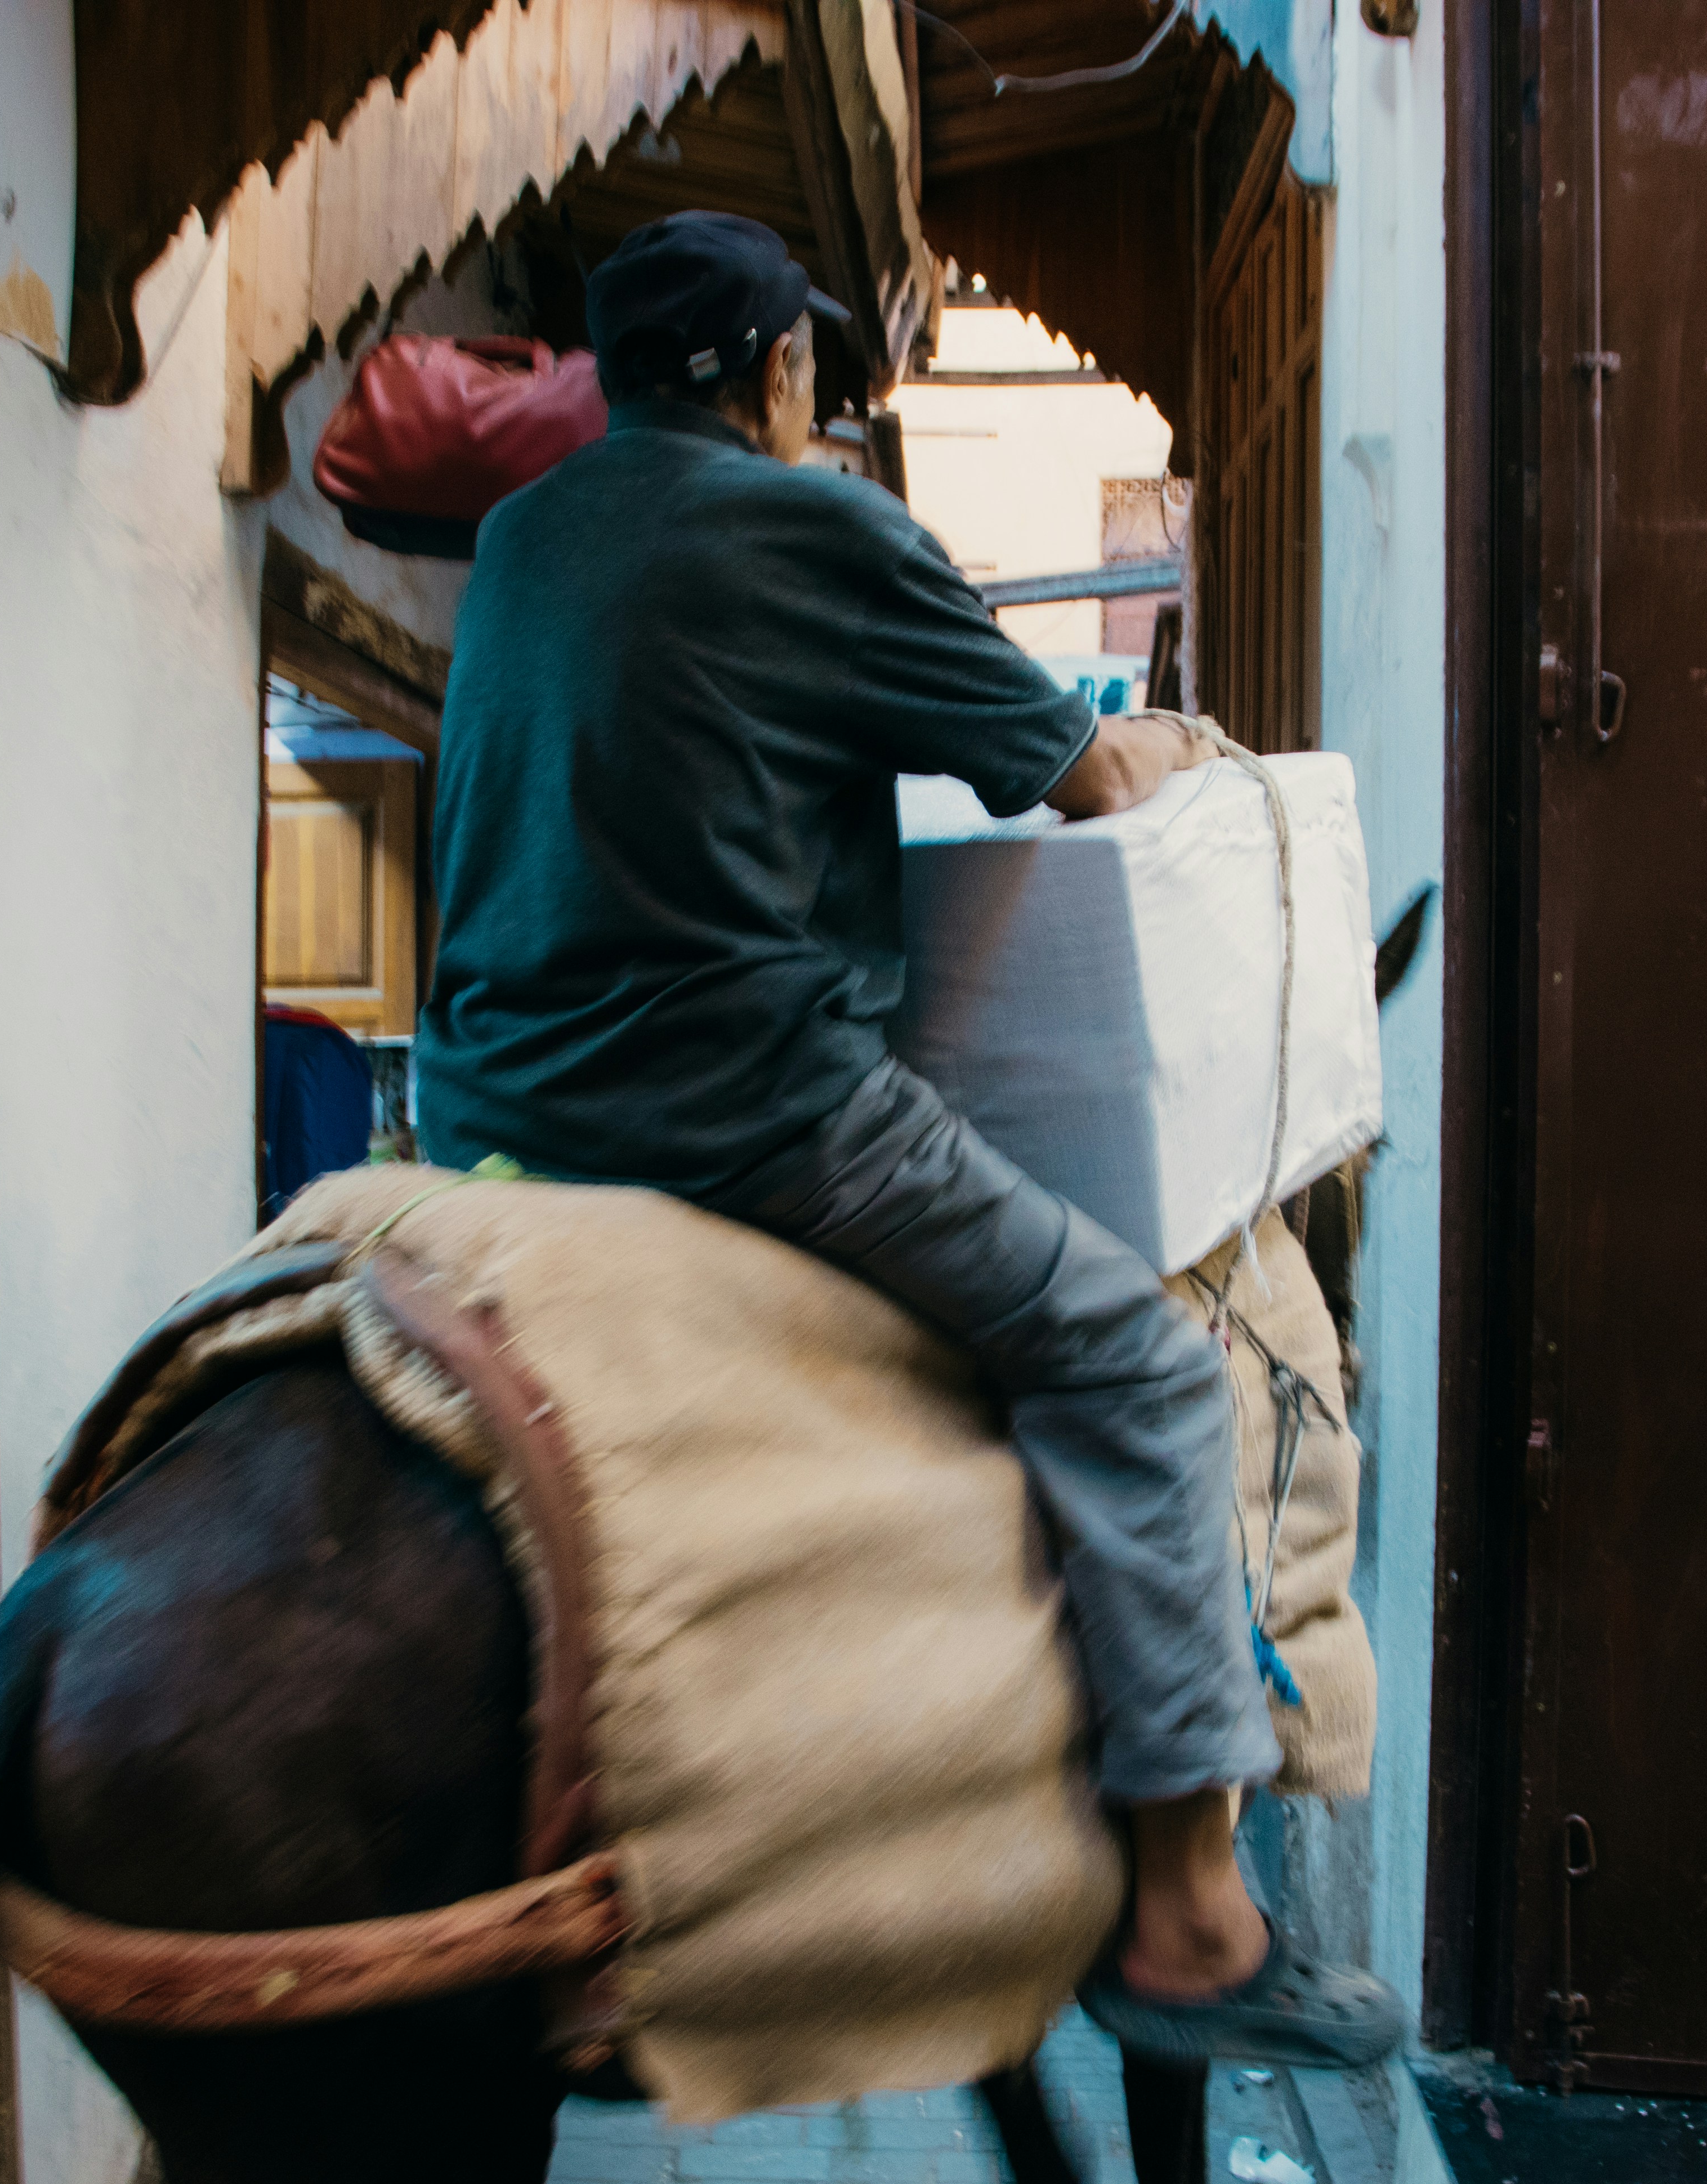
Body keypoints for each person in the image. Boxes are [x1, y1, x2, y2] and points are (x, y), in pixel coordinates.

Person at [414, 211, 1402, 2068]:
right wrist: (1187, 755)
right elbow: (1090, 776)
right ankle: (1191, 1914)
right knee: (1136, 1360)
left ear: (613, 379)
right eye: (811, 369)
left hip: (485, 1122)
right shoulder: (820, 524)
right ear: (783, 372)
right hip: (747, 1115)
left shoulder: (525, 538)